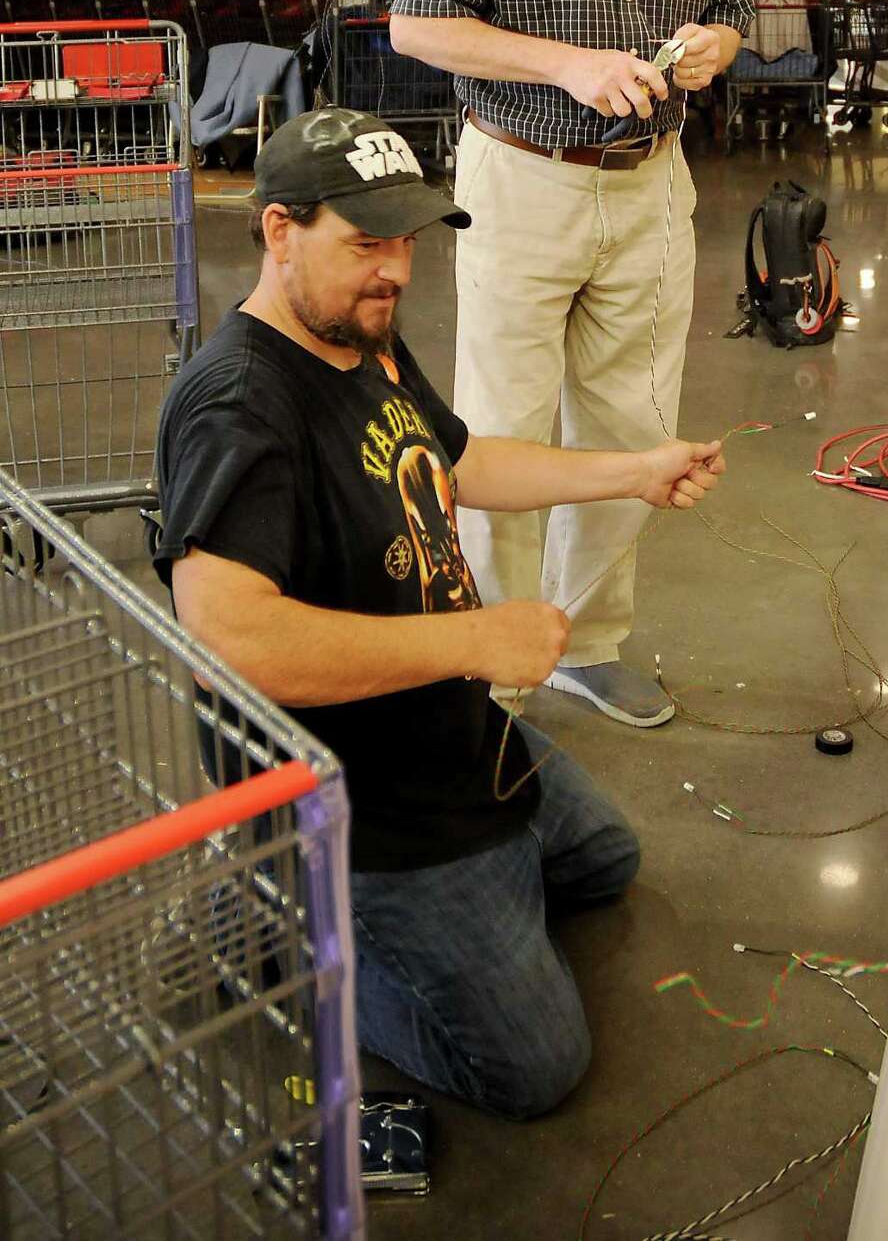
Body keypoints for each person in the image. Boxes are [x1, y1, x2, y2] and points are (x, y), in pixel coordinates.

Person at [153, 107, 726, 1119]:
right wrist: (476, 638)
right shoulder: (236, 405)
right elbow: (230, 641)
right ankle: (291, 910)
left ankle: (425, 914)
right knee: (536, 1067)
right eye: (367, 244)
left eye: (407, 243)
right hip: (355, 795)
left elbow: (457, 463)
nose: (398, 272)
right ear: (279, 231)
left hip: (448, 735)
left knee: (605, 862)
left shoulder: (360, 335)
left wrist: (632, 471)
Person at [390, 0, 754, 729]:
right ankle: (501, 657)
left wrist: (713, 46)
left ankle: (588, 642)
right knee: (504, 423)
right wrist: (567, 62)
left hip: (652, 183)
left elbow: (733, 3)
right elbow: (416, 22)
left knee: (629, 426)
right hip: (526, 176)